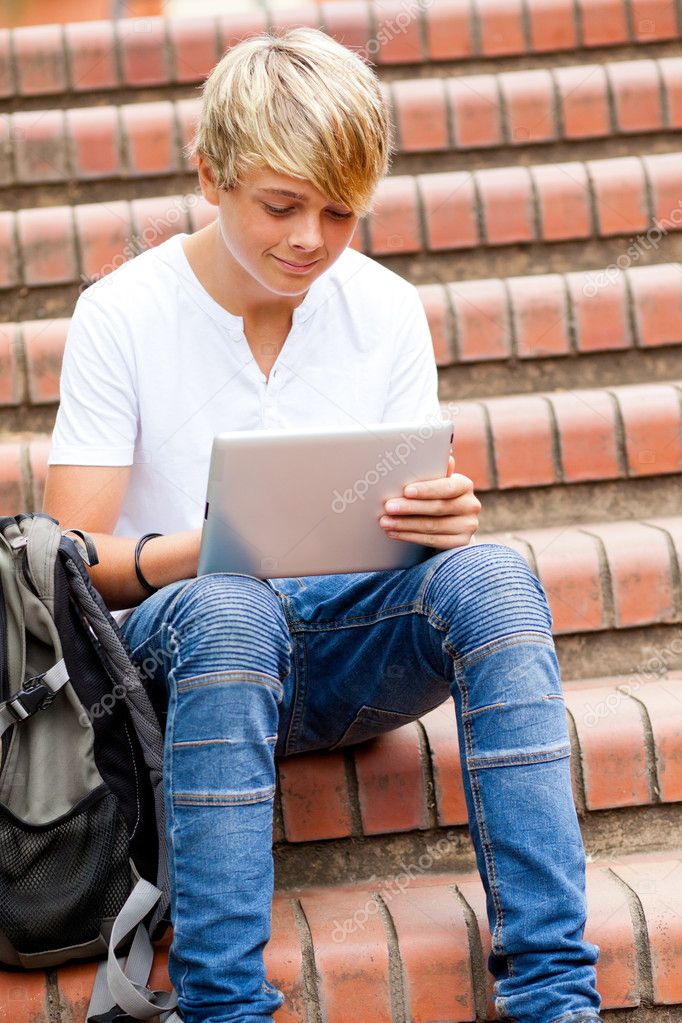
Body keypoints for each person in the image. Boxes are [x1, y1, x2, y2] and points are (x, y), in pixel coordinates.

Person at [43, 26, 602, 1023]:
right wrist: (215, 552)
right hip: (183, 664)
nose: (309, 238)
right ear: (210, 176)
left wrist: (443, 522)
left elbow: (394, 533)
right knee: (228, 608)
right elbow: (68, 568)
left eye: (340, 213)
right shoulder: (121, 312)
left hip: (336, 656)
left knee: (495, 576)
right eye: (280, 206)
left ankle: (554, 995)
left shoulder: (381, 308)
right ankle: (224, 1005)